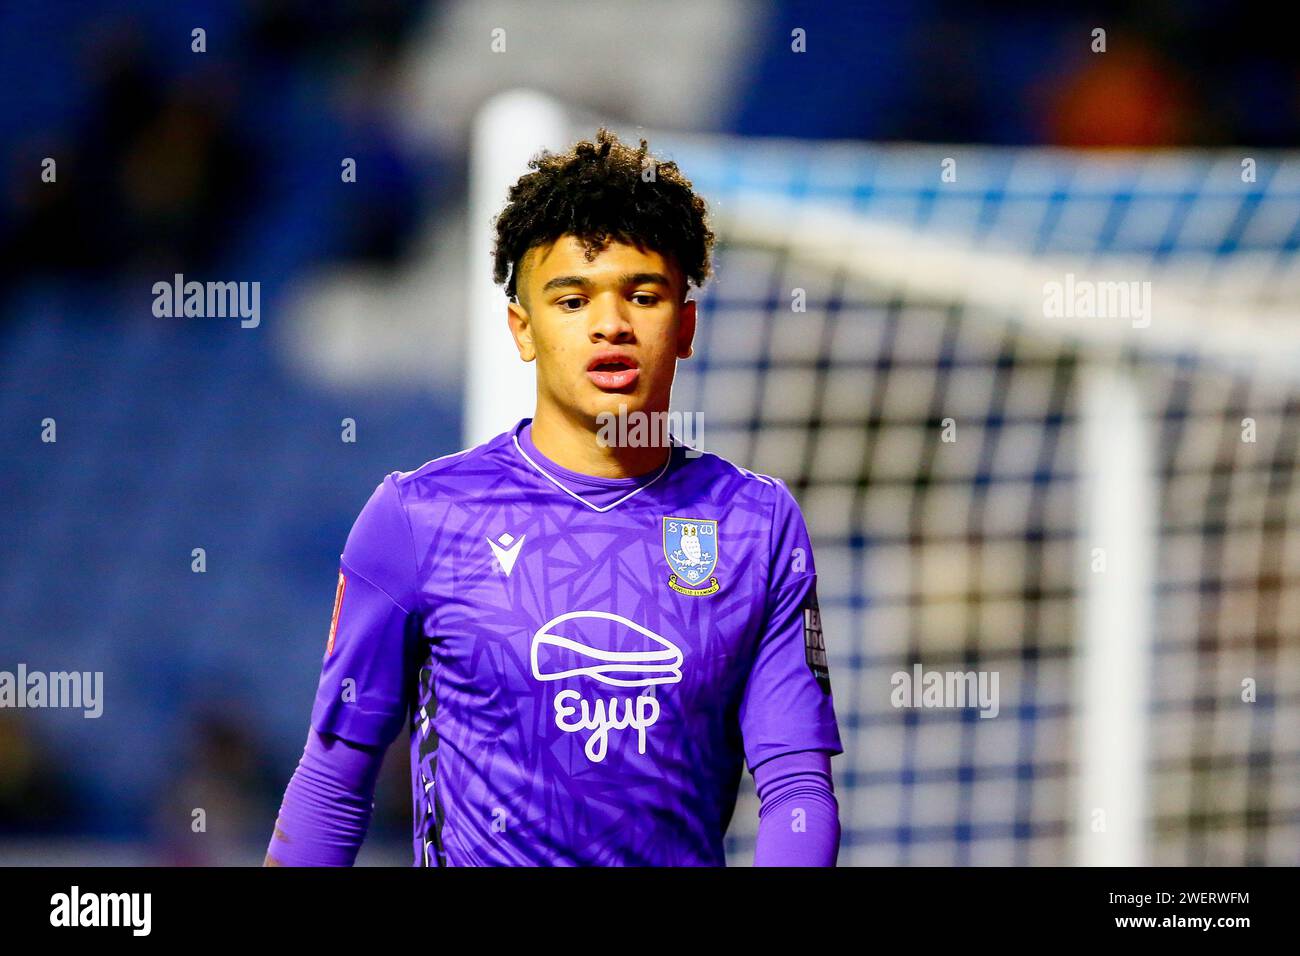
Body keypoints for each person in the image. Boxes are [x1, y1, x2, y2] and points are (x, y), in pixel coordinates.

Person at [265, 128, 842, 866]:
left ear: (687, 325)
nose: (610, 324)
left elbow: (796, 787)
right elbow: (333, 781)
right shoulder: (417, 519)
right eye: (572, 299)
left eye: (643, 294)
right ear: (522, 328)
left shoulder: (755, 525)